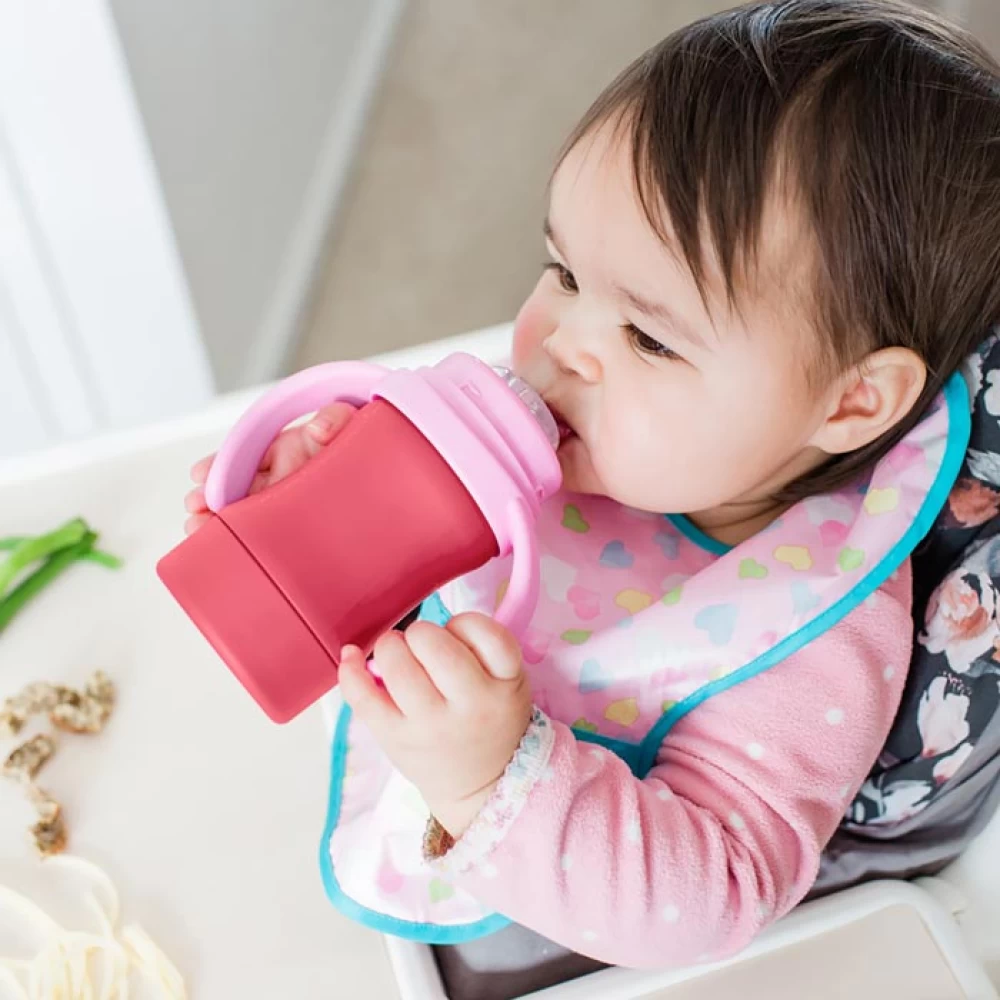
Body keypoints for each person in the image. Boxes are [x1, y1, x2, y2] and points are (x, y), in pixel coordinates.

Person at [184, 0, 1000, 968]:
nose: (558, 345)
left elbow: (715, 895)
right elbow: (407, 544)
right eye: (562, 270)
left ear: (851, 403)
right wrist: (314, 497)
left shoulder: (810, 633)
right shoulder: (599, 414)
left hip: (559, 902)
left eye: (649, 336)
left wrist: (496, 779)